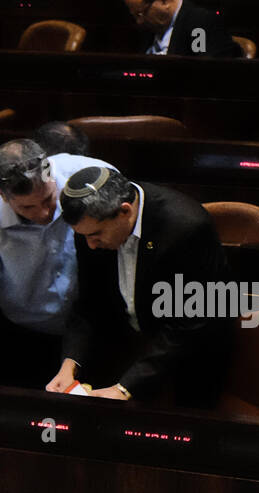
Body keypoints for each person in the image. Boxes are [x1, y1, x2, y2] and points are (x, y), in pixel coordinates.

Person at [52, 166, 235, 406]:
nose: (91, 245)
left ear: (124, 211)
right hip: (130, 342)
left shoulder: (186, 228)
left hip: (190, 351)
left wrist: (126, 387)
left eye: (96, 235)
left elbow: (191, 322)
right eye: (83, 236)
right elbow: (89, 299)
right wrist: (70, 364)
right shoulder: (90, 226)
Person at [0, 140, 113, 389]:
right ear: (3, 196)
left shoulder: (94, 180)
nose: (44, 213)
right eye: (27, 207)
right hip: (20, 330)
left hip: (94, 323)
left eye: (48, 199)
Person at [123, 0, 241, 58]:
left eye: (141, 13)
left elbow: (201, 69)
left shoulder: (198, 25)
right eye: (135, 16)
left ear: (164, 2)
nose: (139, 21)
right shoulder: (150, 29)